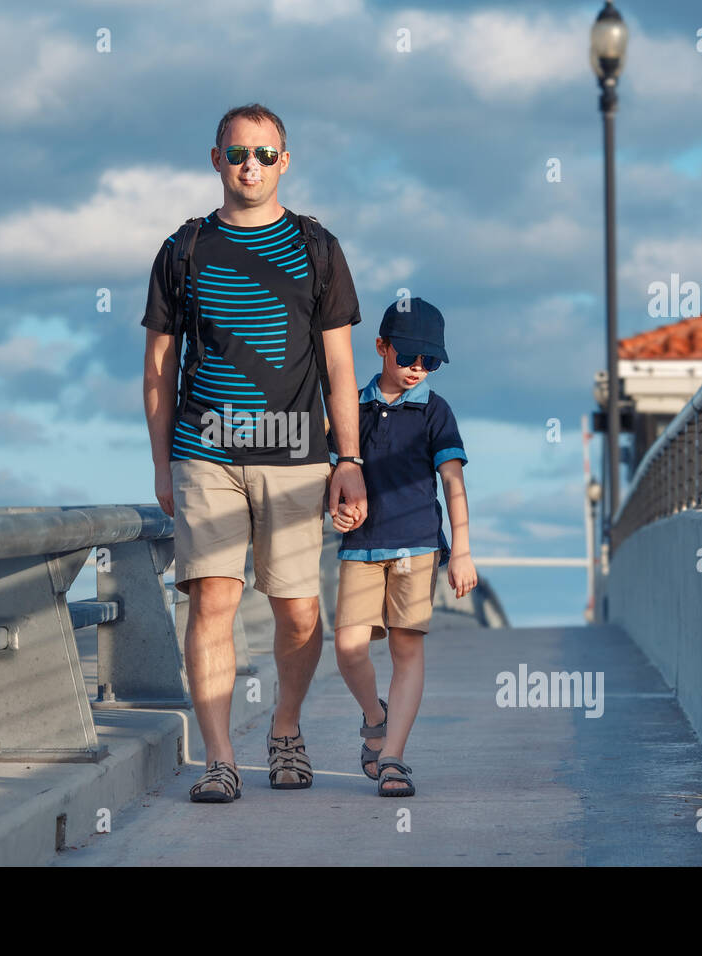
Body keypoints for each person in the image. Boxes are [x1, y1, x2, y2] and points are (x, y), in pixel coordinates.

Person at [140, 103, 367, 803]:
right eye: (238, 153)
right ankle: (218, 758)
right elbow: (157, 368)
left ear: (284, 162)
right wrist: (161, 465)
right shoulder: (183, 250)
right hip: (204, 452)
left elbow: (338, 368)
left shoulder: (317, 248)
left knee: (297, 610)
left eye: (265, 155)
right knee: (213, 598)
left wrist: (349, 462)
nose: (250, 166)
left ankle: (287, 730)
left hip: (298, 456)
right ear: (216, 159)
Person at [326, 297, 478, 797]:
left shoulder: (436, 411)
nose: (417, 369)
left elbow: (453, 483)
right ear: (380, 347)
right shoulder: (353, 407)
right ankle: (375, 717)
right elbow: (333, 471)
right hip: (360, 545)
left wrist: (461, 551)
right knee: (349, 647)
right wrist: (337, 505)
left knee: (405, 647)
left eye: (429, 361)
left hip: (418, 547)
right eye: (408, 356)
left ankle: (392, 756)